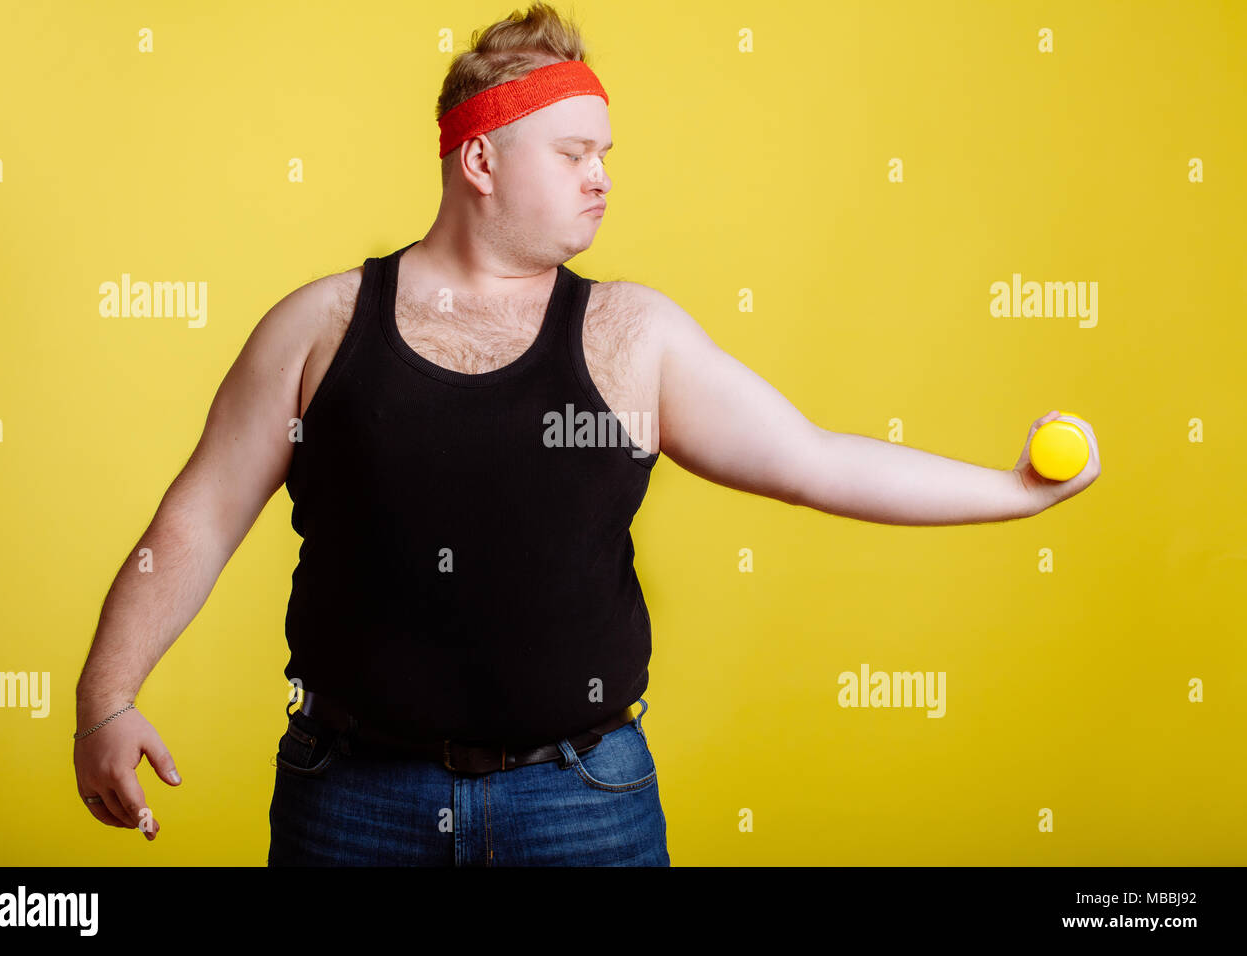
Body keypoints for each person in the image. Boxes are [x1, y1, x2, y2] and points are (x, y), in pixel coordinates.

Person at [72, 3, 1100, 866]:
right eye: (573, 153)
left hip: (582, 800)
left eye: (605, 153)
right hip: (352, 798)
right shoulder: (319, 326)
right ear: (480, 157)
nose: (602, 176)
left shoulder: (632, 334)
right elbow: (200, 513)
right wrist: (105, 699)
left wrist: (1016, 489)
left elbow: (813, 459)